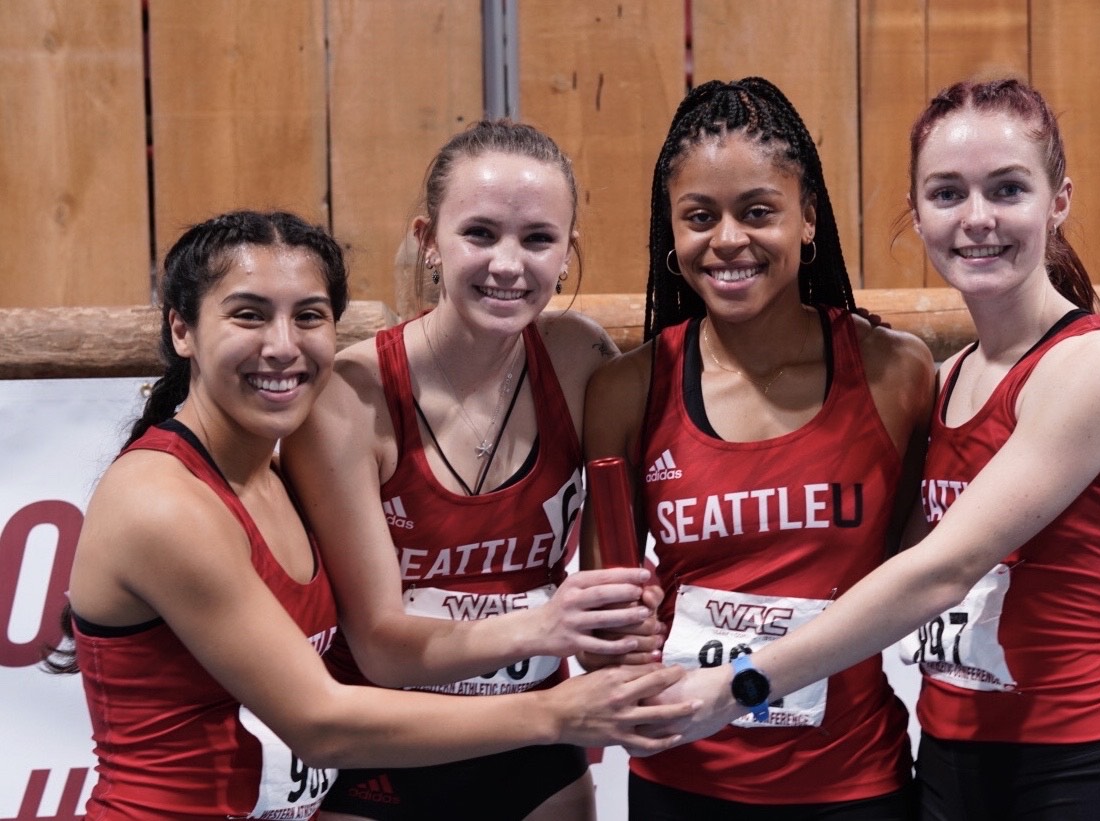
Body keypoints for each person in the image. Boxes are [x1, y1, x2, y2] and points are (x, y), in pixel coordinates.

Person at [580, 77, 1100, 820]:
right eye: (948, 192)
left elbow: (935, 568)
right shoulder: (952, 377)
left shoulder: (914, 372)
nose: (977, 218)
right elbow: (960, 555)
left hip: (944, 775)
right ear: (918, 214)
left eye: (1007, 188)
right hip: (918, 768)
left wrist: (741, 681)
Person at [49, 210, 694, 821]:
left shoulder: (274, 480)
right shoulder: (163, 503)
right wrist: (558, 713)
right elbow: (322, 725)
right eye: (248, 315)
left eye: (309, 317)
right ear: (181, 330)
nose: (282, 346)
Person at [280, 119, 661, 821]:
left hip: (536, 748)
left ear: (568, 252)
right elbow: (382, 646)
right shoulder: (349, 398)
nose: (508, 264)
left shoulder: (580, 360)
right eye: (480, 234)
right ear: (429, 241)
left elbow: (626, 566)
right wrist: (545, 626)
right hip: (388, 746)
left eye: (537, 239)